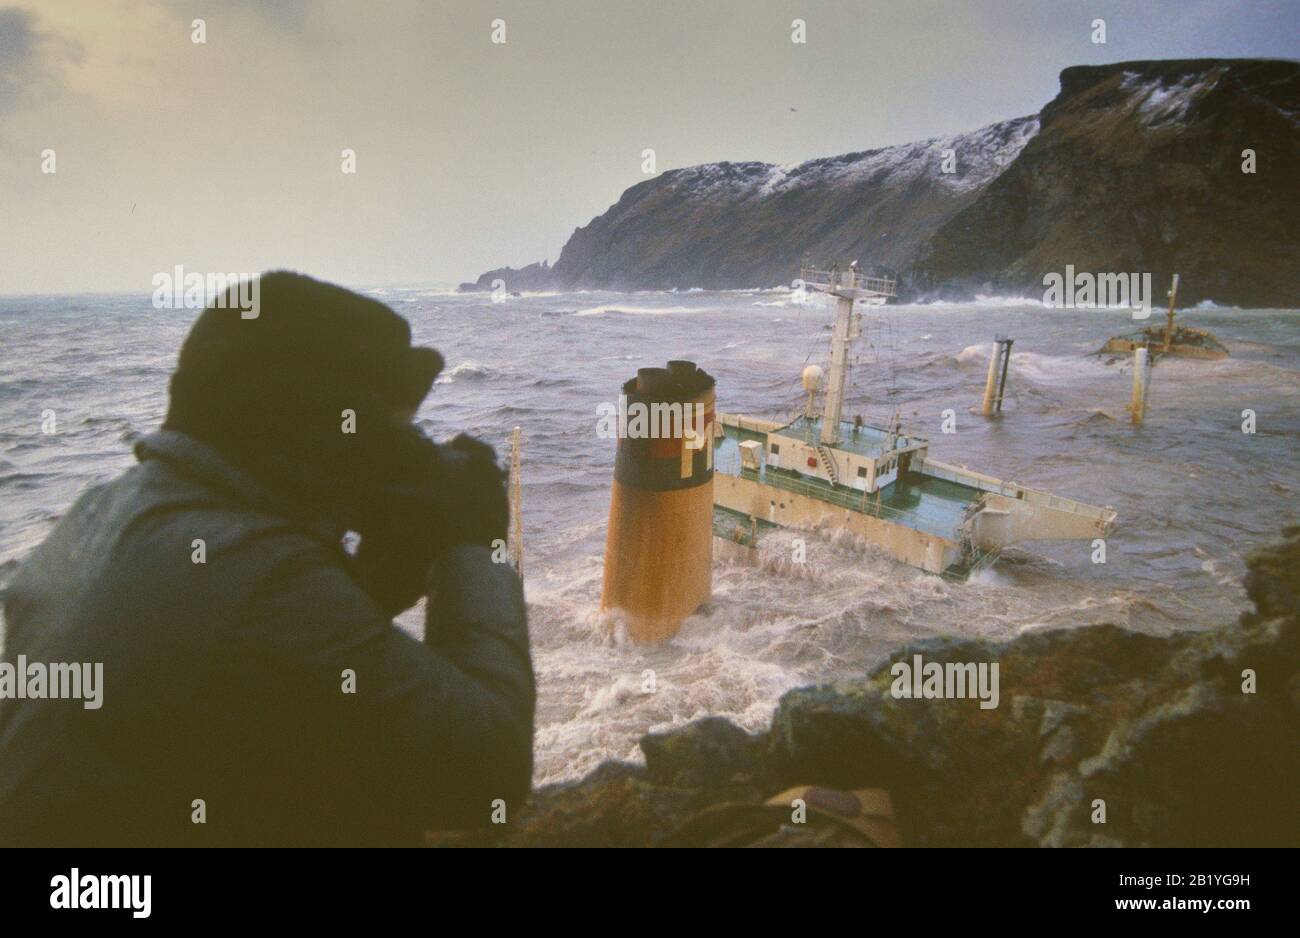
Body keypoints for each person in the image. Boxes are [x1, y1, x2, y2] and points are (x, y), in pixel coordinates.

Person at [0, 272, 534, 846]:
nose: (405, 449)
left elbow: (268, 665)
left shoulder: (102, 514)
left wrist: (376, 570)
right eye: (391, 425)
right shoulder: (259, 577)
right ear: (321, 428)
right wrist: (469, 541)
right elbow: (488, 770)